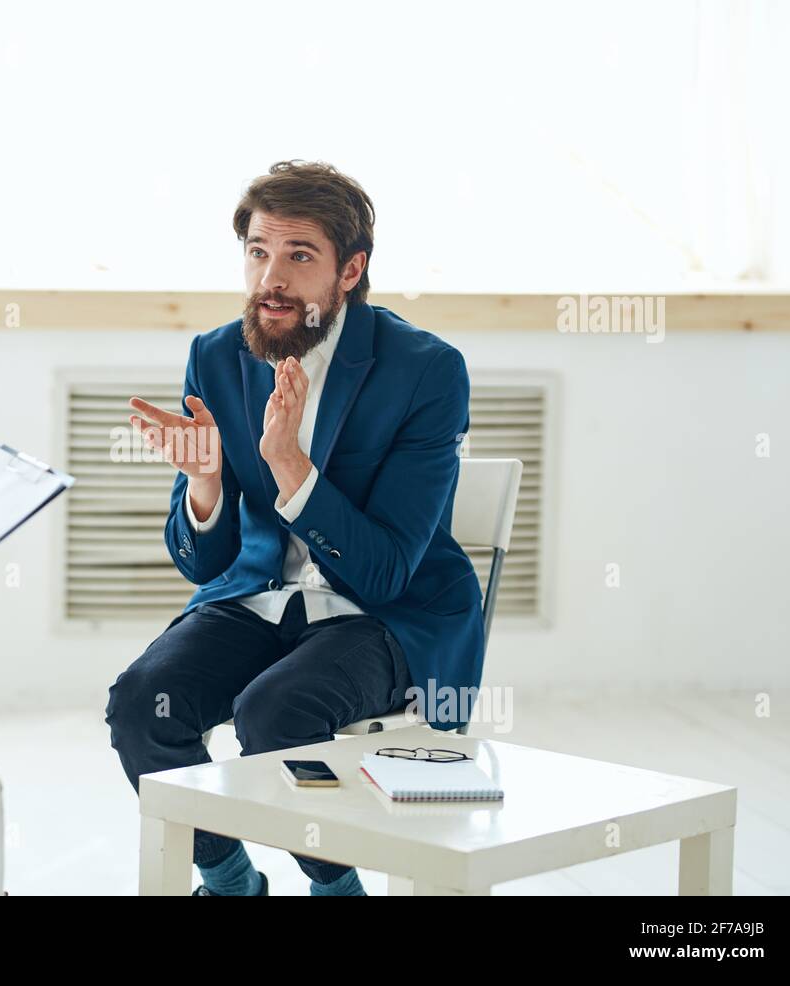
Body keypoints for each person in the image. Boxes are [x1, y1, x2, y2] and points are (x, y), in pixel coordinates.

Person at [106, 161, 484, 895]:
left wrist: (291, 467)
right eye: (257, 251)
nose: (269, 278)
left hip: (383, 616)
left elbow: (385, 571)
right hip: (259, 599)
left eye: (298, 255)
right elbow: (204, 564)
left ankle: (336, 886)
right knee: (140, 706)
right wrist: (206, 483)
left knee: (276, 712)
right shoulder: (217, 355)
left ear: (351, 269)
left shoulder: (426, 371)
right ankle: (228, 877)